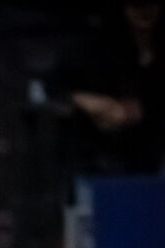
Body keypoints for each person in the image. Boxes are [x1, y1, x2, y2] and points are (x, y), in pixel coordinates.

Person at [61, 0, 164, 174]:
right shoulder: (96, 46)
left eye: (151, 4)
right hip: (100, 153)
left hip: (155, 152)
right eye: (136, 5)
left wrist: (141, 110)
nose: (144, 11)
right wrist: (94, 103)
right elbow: (57, 90)